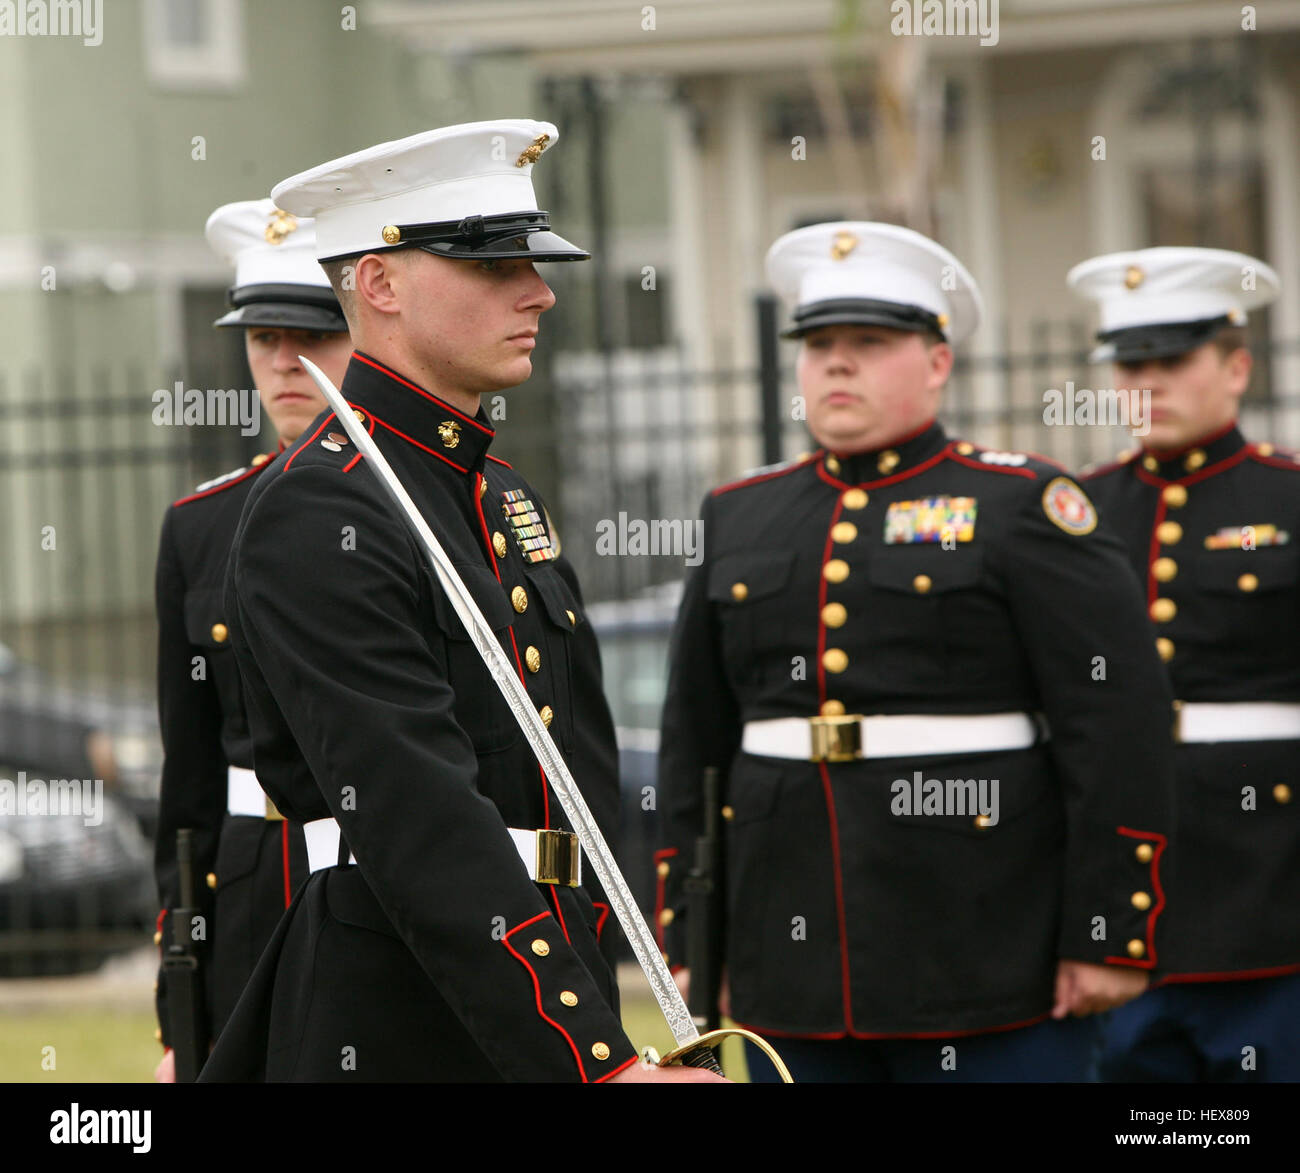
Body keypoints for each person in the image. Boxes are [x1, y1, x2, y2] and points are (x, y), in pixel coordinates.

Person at [199, 120, 720, 1082]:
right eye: (492, 267)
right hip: (398, 1017)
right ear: (380, 284)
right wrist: (588, 1059)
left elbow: (578, 792)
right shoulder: (322, 504)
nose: (539, 291)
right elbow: (418, 815)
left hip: (525, 1003)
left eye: (530, 262)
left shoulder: (491, 487)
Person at [656, 221, 1175, 1082]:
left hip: (988, 956)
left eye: (869, 341)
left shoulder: (1023, 504)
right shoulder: (739, 513)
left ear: (938, 361)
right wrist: (686, 934)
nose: (838, 363)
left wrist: (1109, 929)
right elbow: (694, 745)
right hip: (795, 958)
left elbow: (1115, 725)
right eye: (819, 344)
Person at [1072, 246, 1300, 1081]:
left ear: (1237, 366)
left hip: (1274, 885)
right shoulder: (1078, 511)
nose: (1148, 382)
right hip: (1126, 893)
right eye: (1132, 363)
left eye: (1172, 359)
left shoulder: (1287, 497)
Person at [153, 200, 352, 1081]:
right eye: (262, 335)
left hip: (372, 882)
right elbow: (188, 785)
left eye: (313, 331)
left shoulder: (415, 511)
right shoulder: (199, 527)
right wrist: (175, 998)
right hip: (244, 895)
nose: (284, 359)